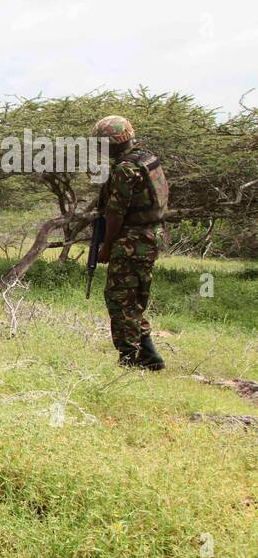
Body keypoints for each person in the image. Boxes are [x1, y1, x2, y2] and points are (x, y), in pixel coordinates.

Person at [93, 115, 169, 370]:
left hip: (131, 242)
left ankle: (130, 359)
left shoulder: (126, 168)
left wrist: (106, 246)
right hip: (150, 237)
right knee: (133, 300)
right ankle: (148, 356)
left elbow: (115, 213)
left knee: (119, 299)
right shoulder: (148, 159)